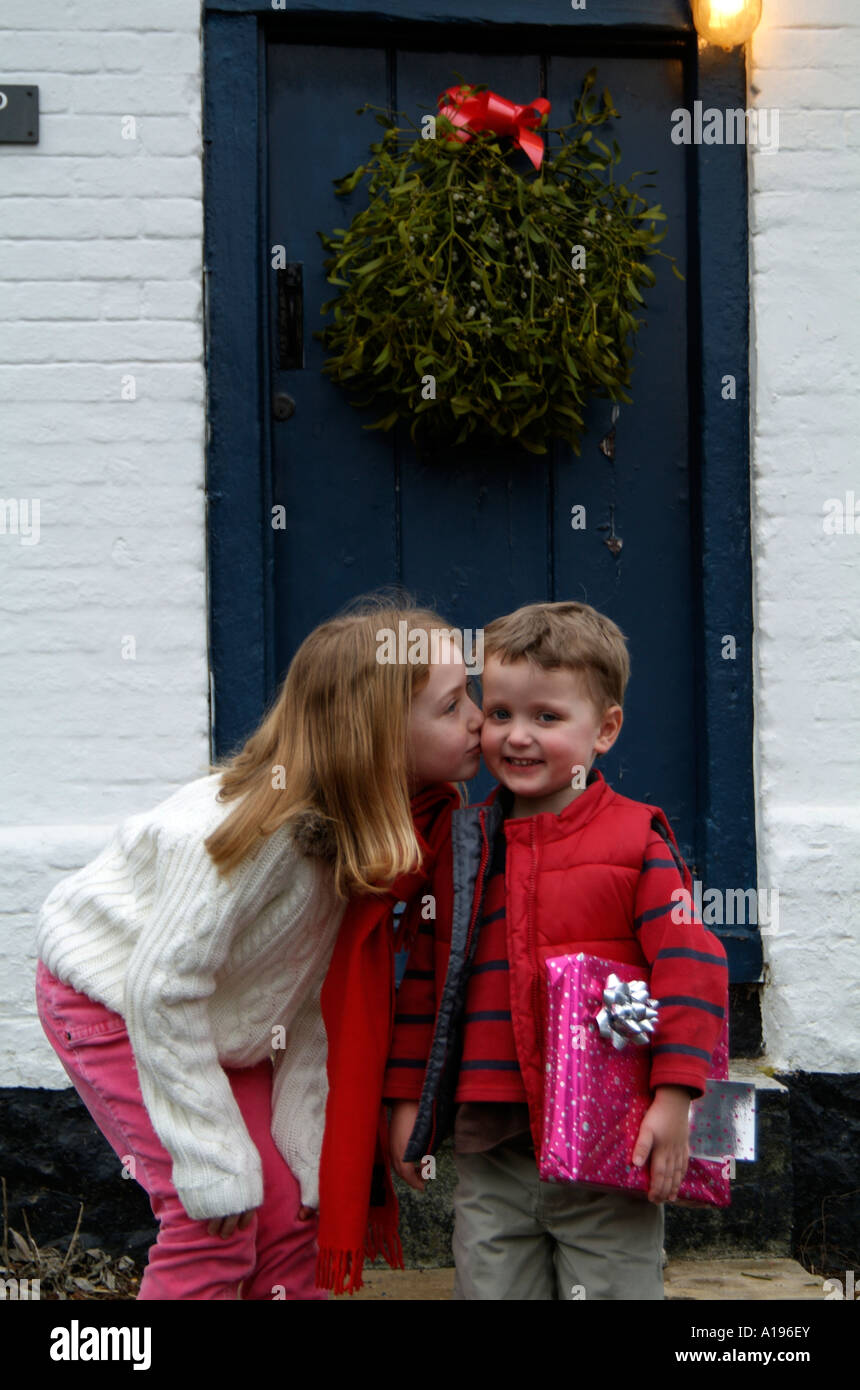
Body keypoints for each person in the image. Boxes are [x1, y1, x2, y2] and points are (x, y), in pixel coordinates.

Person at [35, 598, 483, 1300]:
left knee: (286, 1215)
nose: (479, 720)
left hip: (222, 1017)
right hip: (118, 1000)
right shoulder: (248, 838)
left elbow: (309, 1004)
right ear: (376, 734)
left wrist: (309, 1154)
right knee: (211, 1218)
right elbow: (162, 990)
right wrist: (212, 1160)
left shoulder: (368, 836)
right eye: (453, 705)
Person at [385, 600, 729, 1301]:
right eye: (502, 713)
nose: (517, 737)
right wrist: (405, 1107)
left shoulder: (639, 843)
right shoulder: (461, 846)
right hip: (491, 1143)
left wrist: (674, 1097)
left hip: (610, 1137)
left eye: (547, 718)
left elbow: (693, 967)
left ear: (605, 730)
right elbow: (424, 982)